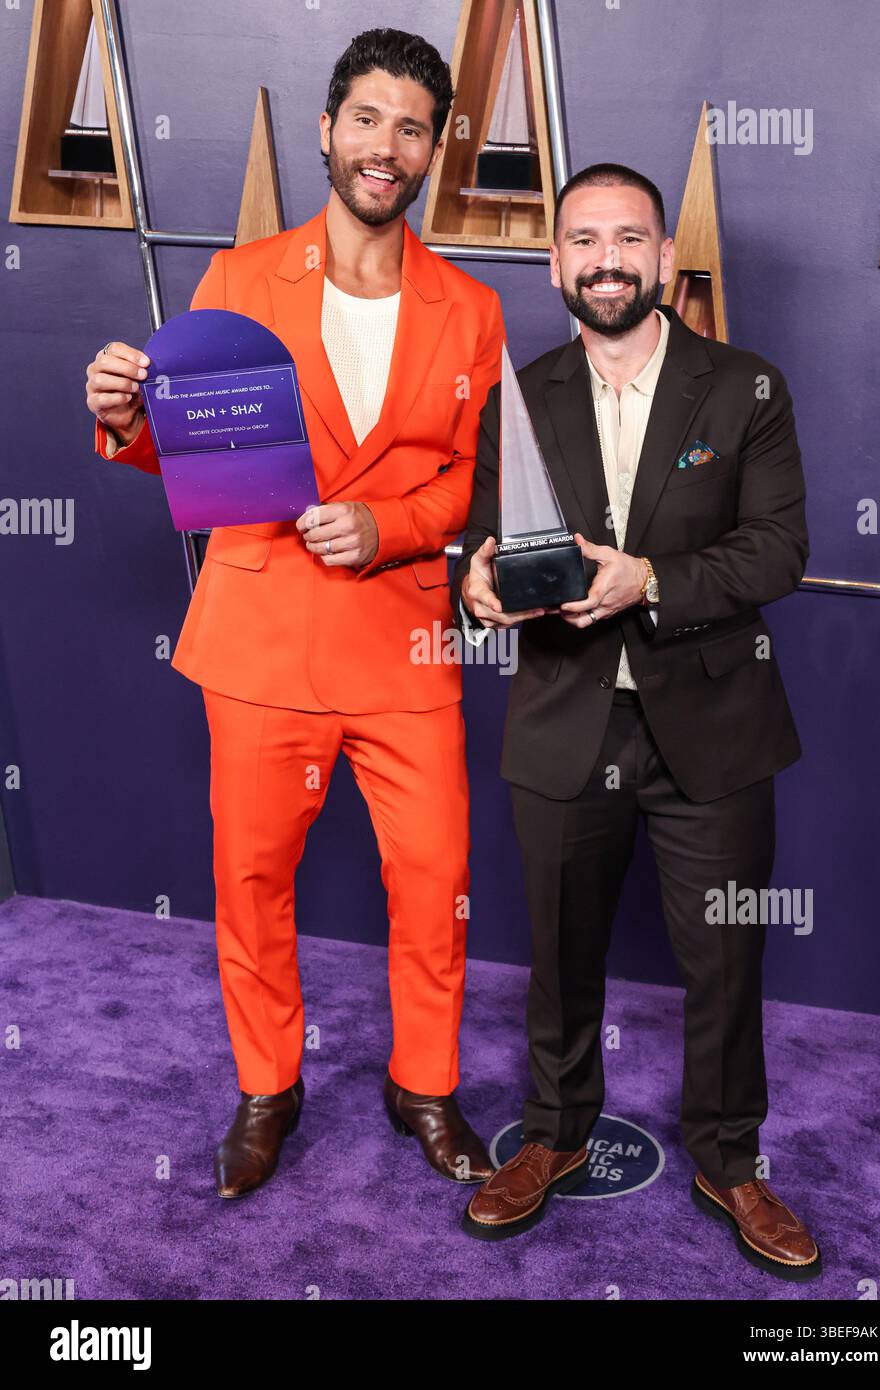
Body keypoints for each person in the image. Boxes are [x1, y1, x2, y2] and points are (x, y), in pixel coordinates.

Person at [84, 29, 505, 1200]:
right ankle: (267, 1088)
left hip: (403, 642)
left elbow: (462, 483)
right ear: (328, 131)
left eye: (411, 127)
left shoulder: (470, 308)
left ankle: (424, 1083)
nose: (387, 146)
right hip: (263, 638)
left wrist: (390, 530)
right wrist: (127, 416)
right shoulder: (238, 276)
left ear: (432, 150)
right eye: (367, 119)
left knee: (434, 879)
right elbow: (196, 453)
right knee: (251, 880)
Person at [451, 163, 820, 1279]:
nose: (606, 260)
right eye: (582, 241)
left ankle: (727, 1157)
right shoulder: (518, 395)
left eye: (628, 239)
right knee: (558, 954)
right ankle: (555, 1135)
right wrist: (474, 587)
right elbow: (486, 546)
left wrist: (646, 579)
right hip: (564, 721)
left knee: (723, 957)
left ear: (663, 257)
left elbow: (777, 551)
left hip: (711, 725)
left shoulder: (746, 387)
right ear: (555, 261)